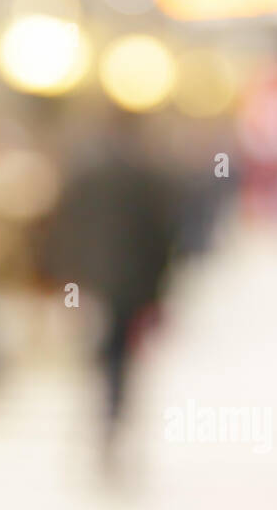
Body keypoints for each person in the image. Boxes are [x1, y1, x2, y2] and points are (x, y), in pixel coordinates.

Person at [42, 127, 179, 474]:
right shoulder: (146, 180)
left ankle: (104, 413)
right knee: (120, 357)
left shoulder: (85, 178)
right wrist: (158, 290)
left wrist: (63, 274)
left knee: (100, 352)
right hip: (129, 285)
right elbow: (162, 236)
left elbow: (63, 229)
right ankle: (112, 413)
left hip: (92, 284)